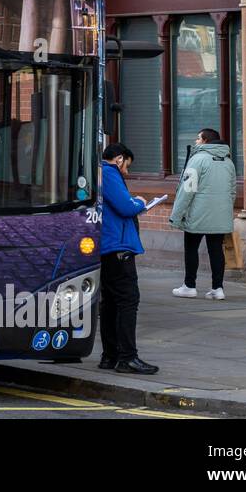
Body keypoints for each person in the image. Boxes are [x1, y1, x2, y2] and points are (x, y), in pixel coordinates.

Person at [97, 142, 159, 374]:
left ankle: (110, 356)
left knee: (111, 303)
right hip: (118, 247)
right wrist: (140, 202)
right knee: (127, 301)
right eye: (127, 167)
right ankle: (127, 358)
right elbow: (125, 207)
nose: (127, 172)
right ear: (120, 159)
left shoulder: (99, 173)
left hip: (107, 246)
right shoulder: (110, 172)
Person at [169, 128, 237, 300]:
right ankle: (218, 288)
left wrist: (176, 215)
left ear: (206, 141)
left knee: (191, 249)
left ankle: (189, 286)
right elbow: (232, 191)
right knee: (216, 250)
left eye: (198, 138)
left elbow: (187, 190)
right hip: (220, 214)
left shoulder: (197, 160)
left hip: (197, 214)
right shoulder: (229, 162)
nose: (196, 141)